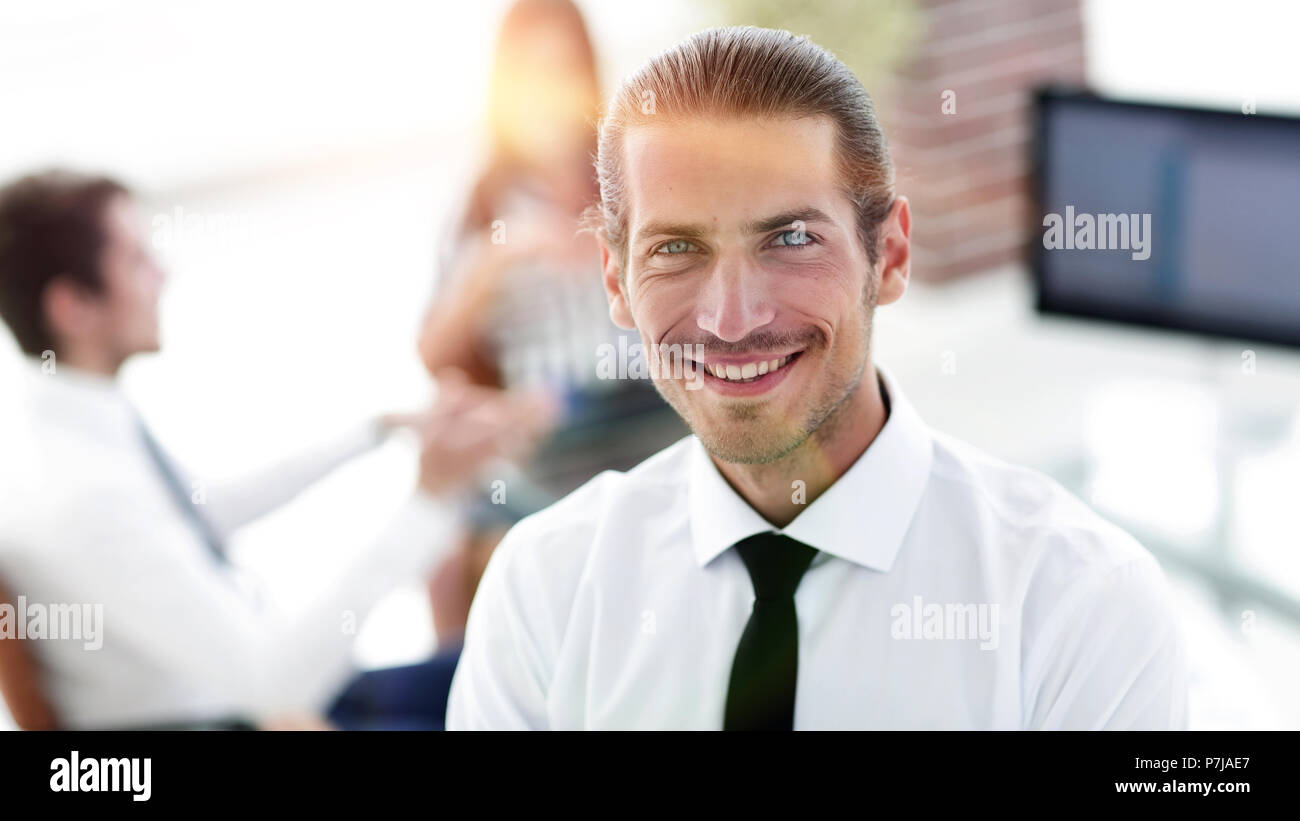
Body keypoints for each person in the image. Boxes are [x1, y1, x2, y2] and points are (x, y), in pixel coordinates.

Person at [445, 26, 1191, 730]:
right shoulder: (545, 591)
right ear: (617, 280)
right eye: (677, 248)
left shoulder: (1077, 602)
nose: (731, 319)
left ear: (890, 255)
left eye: (791, 238)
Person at [0, 170, 543, 730]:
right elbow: (276, 681)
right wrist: (431, 495)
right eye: (136, 261)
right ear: (72, 307)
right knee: (527, 689)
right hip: (246, 717)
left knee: (529, 657)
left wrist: (382, 430)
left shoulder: (80, 426)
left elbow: (202, 509)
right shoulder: (86, 495)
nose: (164, 274)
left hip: (274, 704)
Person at [416, 0, 689, 642]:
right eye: (529, 73)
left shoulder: (635, 173)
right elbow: (433, 353)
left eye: (561, 68)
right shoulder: (484, 205)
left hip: (648, 410)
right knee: (446, 563)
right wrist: (501, 255)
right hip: (544, 437)